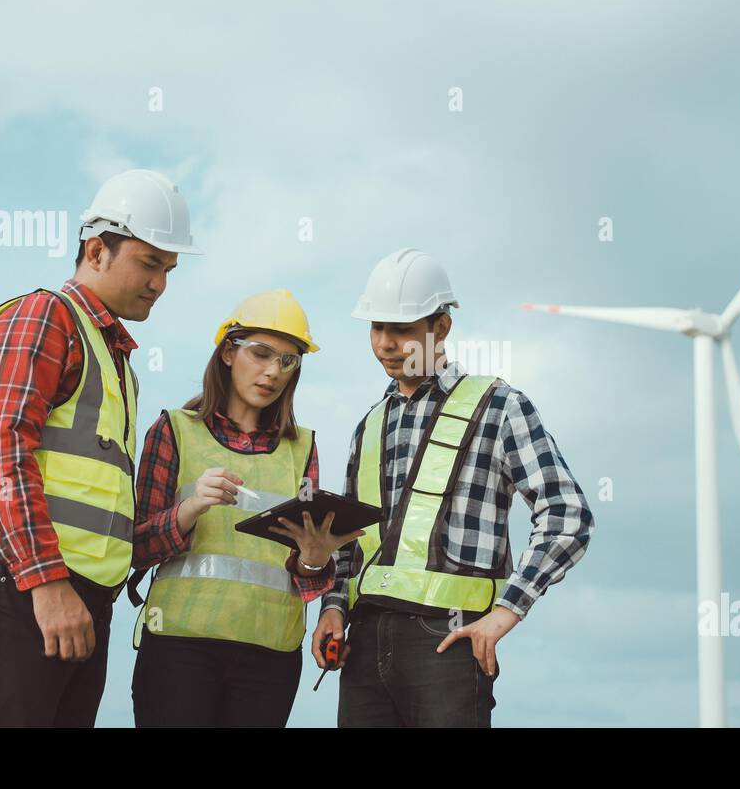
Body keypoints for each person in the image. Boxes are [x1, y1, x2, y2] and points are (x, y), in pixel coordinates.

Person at [0, 169, 203, 727]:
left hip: (79, 596)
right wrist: (46, 583)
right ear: (96, 249)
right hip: (23, 585)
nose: (160, 284)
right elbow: (1, 450)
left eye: (169, 270)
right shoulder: (46, 317)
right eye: (150, 264)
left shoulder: (114, 360)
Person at [311, 248, 595, 727]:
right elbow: (349, 542)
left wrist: (508, 610)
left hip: (446, 640)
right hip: (364, 642)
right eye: (376, 328)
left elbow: (568, 514)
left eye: (400, 330)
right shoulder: (371, 425)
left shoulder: (499, 406)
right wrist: (334, 607)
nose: (384, 343)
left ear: (440, 327)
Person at [127, 290, 362, 727]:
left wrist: (314, 560)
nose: (273, 371)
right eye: (261, 353)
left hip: (269, 660)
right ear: (229, 352)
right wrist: (190, 508)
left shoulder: (303, 448)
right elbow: (135, 549)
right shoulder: (173, 430)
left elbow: (306, 578)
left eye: (289, 361)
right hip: (180, 652)